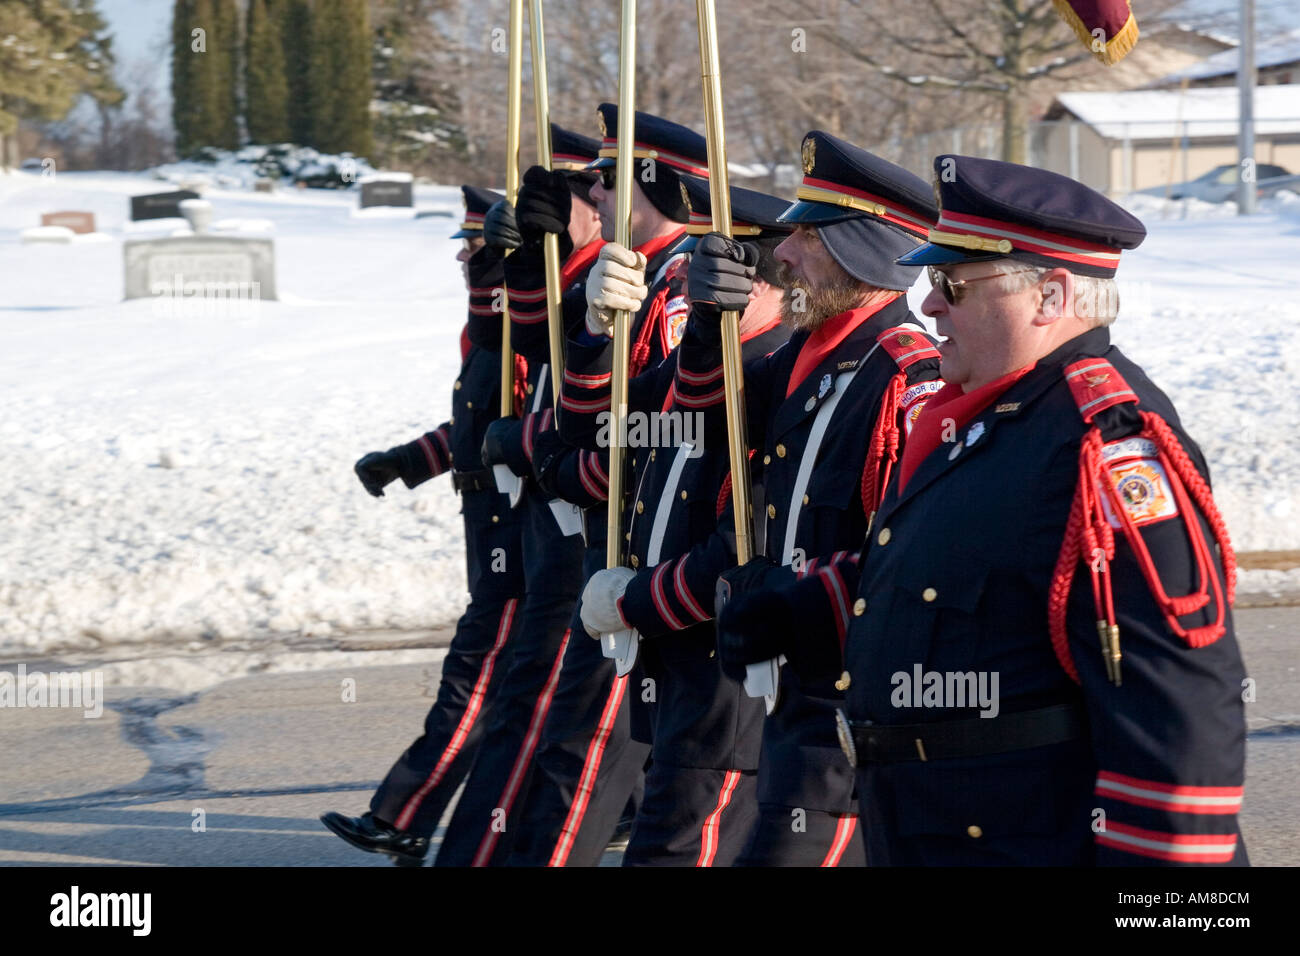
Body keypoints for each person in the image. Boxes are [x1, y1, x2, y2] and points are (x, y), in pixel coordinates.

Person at [721, 155, 1248, 866]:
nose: (930, 303)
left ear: (1051, 296)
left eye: (953, 285)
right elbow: (949, 580)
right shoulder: (985, 411)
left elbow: (1179, 705)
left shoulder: (1104, 445)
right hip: (933, 827)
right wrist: (812, 608)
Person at [432, 106, 704, 865]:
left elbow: (659, 434)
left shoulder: (677, 285)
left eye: (610, 182)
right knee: (569, 744)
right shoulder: (631, 273)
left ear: (655, 185)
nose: (602, 197)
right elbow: (531, 354)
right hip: (586, 534)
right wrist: (519, 267)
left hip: (635, 549)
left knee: (580, 757)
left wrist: (545, 455)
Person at [677, 132, 942, 866]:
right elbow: (701, 427)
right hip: (800, 698)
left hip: (850, 715)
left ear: (864, 251)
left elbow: (906, 564)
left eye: (807, 235)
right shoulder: (807, 351)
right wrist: (707, 328)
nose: (783, 253)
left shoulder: (903, 377)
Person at [574, 177, 792, 866]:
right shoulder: (692, 366)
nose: (699, 292)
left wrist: (638, 599)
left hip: (722, 665)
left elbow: (743, 539)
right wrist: (593, 327)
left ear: (761, 284)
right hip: (673, 661)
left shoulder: (779, 374)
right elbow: (588, 429)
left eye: (718, 275)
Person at [320, 185, 526, 865]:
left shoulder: (528, 333)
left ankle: (403, 815)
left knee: (480, 673)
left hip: (515, 527)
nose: (466, 256)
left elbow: (524, 429)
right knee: (525, 682)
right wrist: (408, 461)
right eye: (465, 246)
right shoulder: (485, 332)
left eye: (479, 245)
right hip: (485, 522)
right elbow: (473, 427)